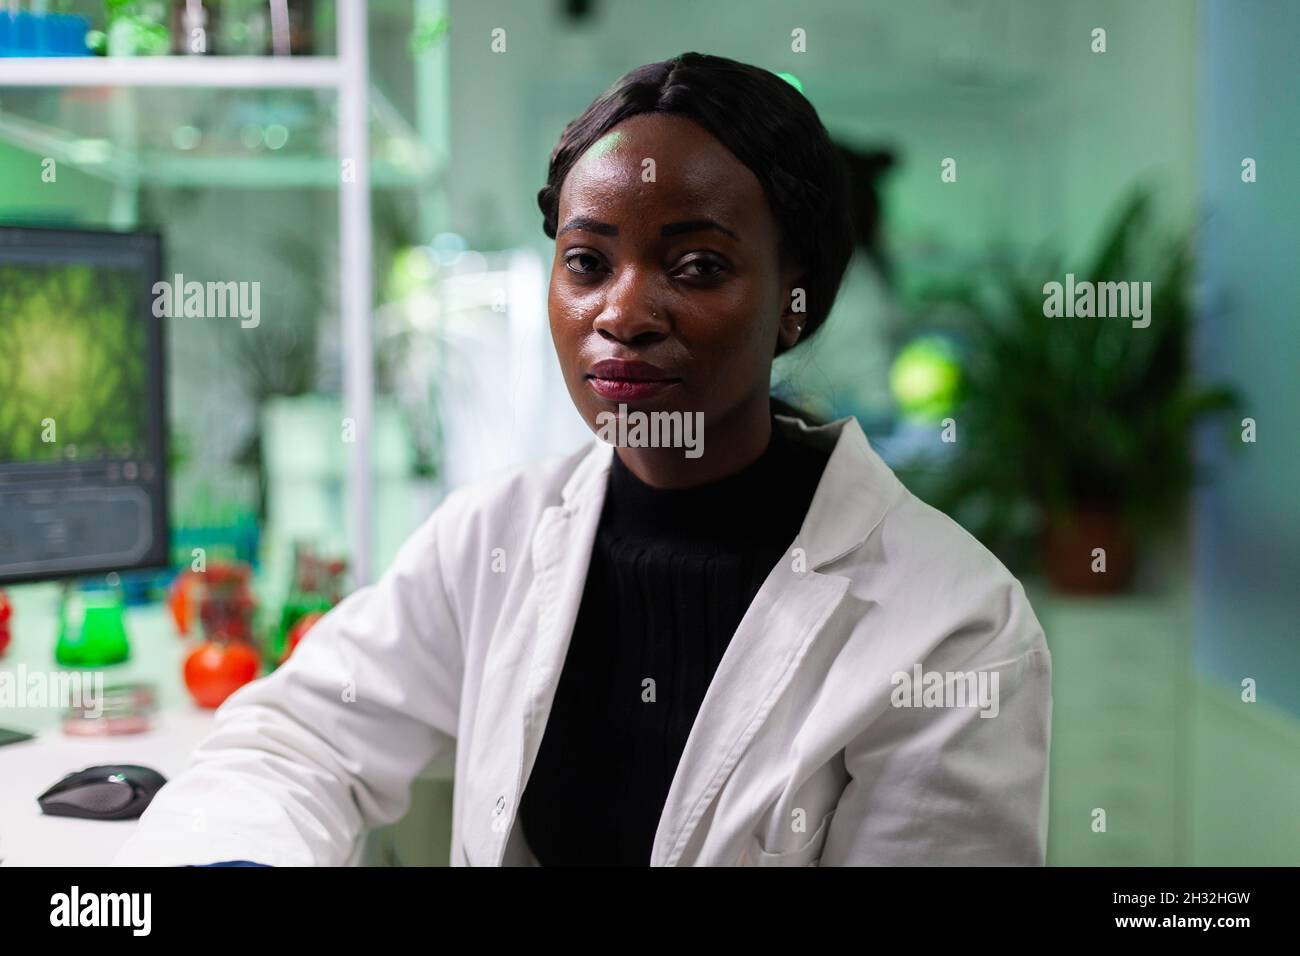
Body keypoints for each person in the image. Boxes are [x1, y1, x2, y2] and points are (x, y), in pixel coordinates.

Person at [115, 52, 1051, 867]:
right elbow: (300, 734)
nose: (623, 314)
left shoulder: (950, 626)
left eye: (697, 267)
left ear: (794, 301)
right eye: (587, 262)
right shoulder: (494, 536)